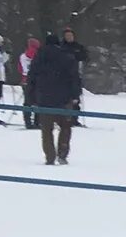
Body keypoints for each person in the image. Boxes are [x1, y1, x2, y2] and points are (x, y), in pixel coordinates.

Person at [31, 25, 87, 165]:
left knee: (46, 130)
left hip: (44, 98)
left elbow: (32, 77)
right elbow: (74, 77)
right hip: (64, 98)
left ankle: (49, 156)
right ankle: (62, 153)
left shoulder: (39, 57)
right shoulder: (67, 57)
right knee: (66, 127)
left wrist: (31, 97)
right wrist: (75, 95)